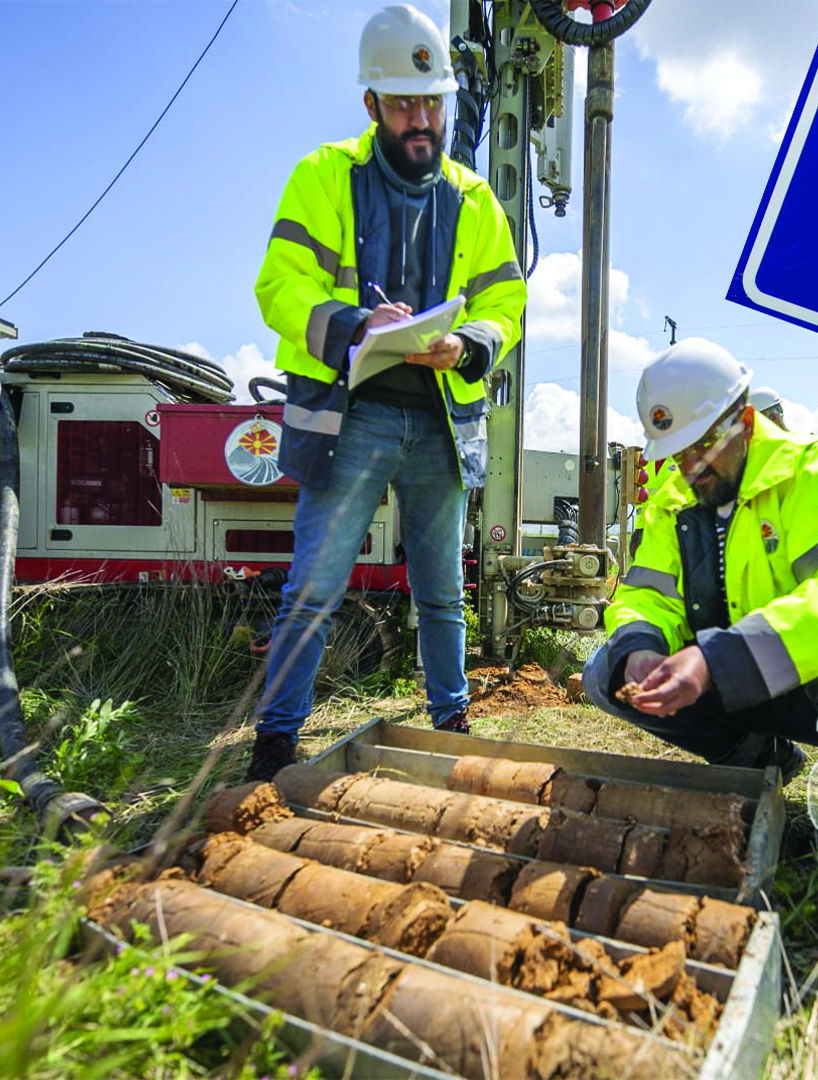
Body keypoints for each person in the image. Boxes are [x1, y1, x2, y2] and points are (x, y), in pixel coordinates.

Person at [245, 4, 526, 782]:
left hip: (440, 423)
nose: (421, 119)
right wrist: (357, 322)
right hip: (352, 416)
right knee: (313, 590)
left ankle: (451, 719)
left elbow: (507, 304)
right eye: (404, 104)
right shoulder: (323, 175)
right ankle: (276, 741)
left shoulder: (474, 200)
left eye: (432, 102)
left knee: (442, 592)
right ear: (370, 104)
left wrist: (467, 344)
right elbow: (279, 286)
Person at [583, 338, 818, 832]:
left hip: (814, 680)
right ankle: (759, 760)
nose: (692, 468)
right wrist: (641, 647)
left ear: (747, 423)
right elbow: (647, 594)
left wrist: (715, 659)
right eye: (679, 453)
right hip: (738, 682)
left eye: (705, 445)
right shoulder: (674, 500)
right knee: (607, 671)